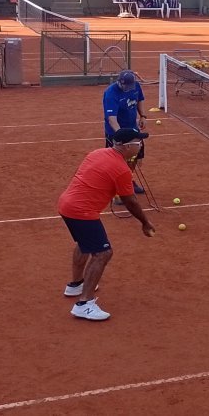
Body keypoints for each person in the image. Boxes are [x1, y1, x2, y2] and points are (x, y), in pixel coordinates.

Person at [57, 128, 156, 321]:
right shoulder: (121, 170)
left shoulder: (97, 153)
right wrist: (145, 222)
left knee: (85, 245)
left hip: (66, 204)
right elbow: (131, 201)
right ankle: (84, 304)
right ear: (127, 146)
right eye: (139, 142)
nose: (141, 145)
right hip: (82, 212)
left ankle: (76, 285)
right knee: (103, 253)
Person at [103, 70, 148, 190]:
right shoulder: (111, 94)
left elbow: (139, 99)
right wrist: (121, 136)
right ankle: (116, 188)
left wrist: (142, 115)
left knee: (135, 157)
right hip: (116, 132)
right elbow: (112, 119)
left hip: (132, 128)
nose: (129, 88)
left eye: (130, 86)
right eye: (126, 86)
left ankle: (128, 180)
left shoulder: (135, 85)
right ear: (119, 82)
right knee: (116, 161)